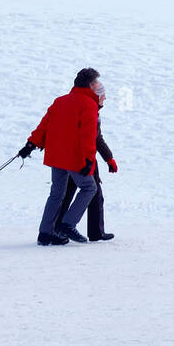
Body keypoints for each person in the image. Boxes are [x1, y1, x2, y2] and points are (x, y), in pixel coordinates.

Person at [19, 68, 103, 245]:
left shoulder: (60, 101)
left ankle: (45, 233)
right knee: (89, 188)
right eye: (96, 83)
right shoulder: (88, 104)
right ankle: (68, 224)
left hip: (56, 156)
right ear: (90, 85)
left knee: (57, 193)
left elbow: (44, 125)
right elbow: (87, 135)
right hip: (74, 157)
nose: (99, 86)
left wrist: (30, 144)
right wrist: (88, 159)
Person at [54, 79, 117, 242]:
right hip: (83, 158)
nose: (105, 99)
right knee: (94, 192)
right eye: (103, 96)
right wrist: (109, 159)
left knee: (67, 193)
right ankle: (94, 232)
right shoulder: (90, 109)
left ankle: (57, 228)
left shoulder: (76, 105)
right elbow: (96, 139)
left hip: (67, 156)